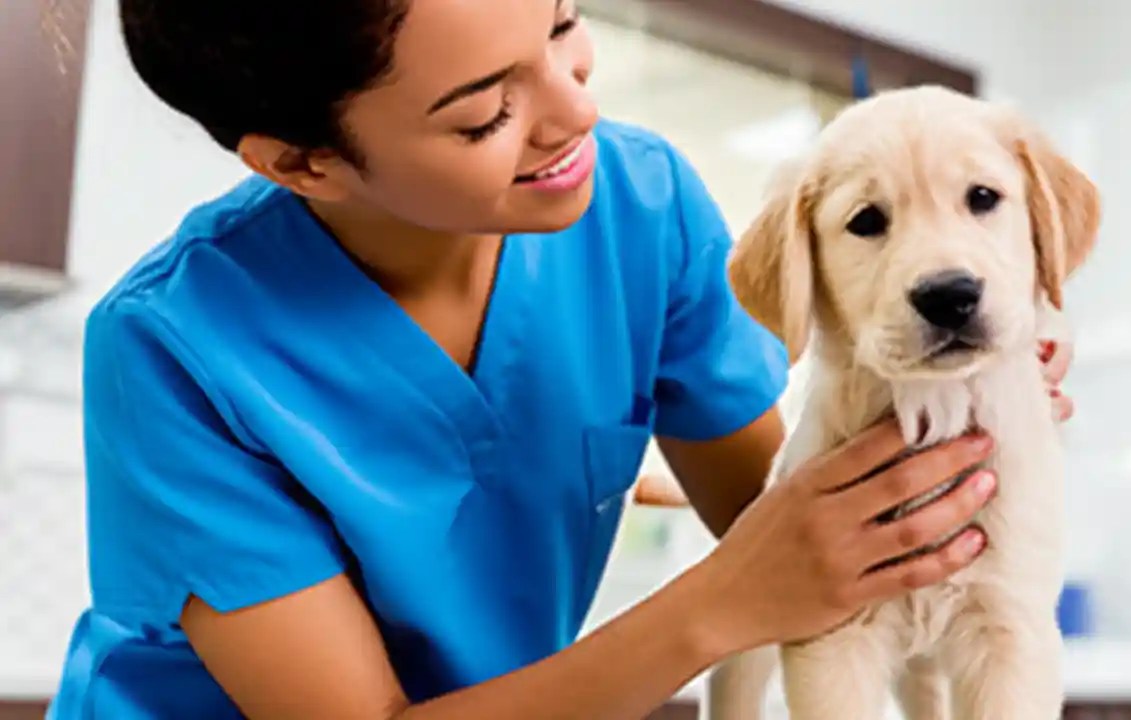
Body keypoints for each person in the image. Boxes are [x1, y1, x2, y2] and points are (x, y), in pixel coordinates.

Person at [47, 1, 1075, 718]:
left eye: (560, 24)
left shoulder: (642, 209)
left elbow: (790, 525)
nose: (576, 109)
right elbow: (759, 573)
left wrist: (939, 397)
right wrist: (718, 603)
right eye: (487, 111)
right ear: (302, 162)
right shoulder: (174, 349)